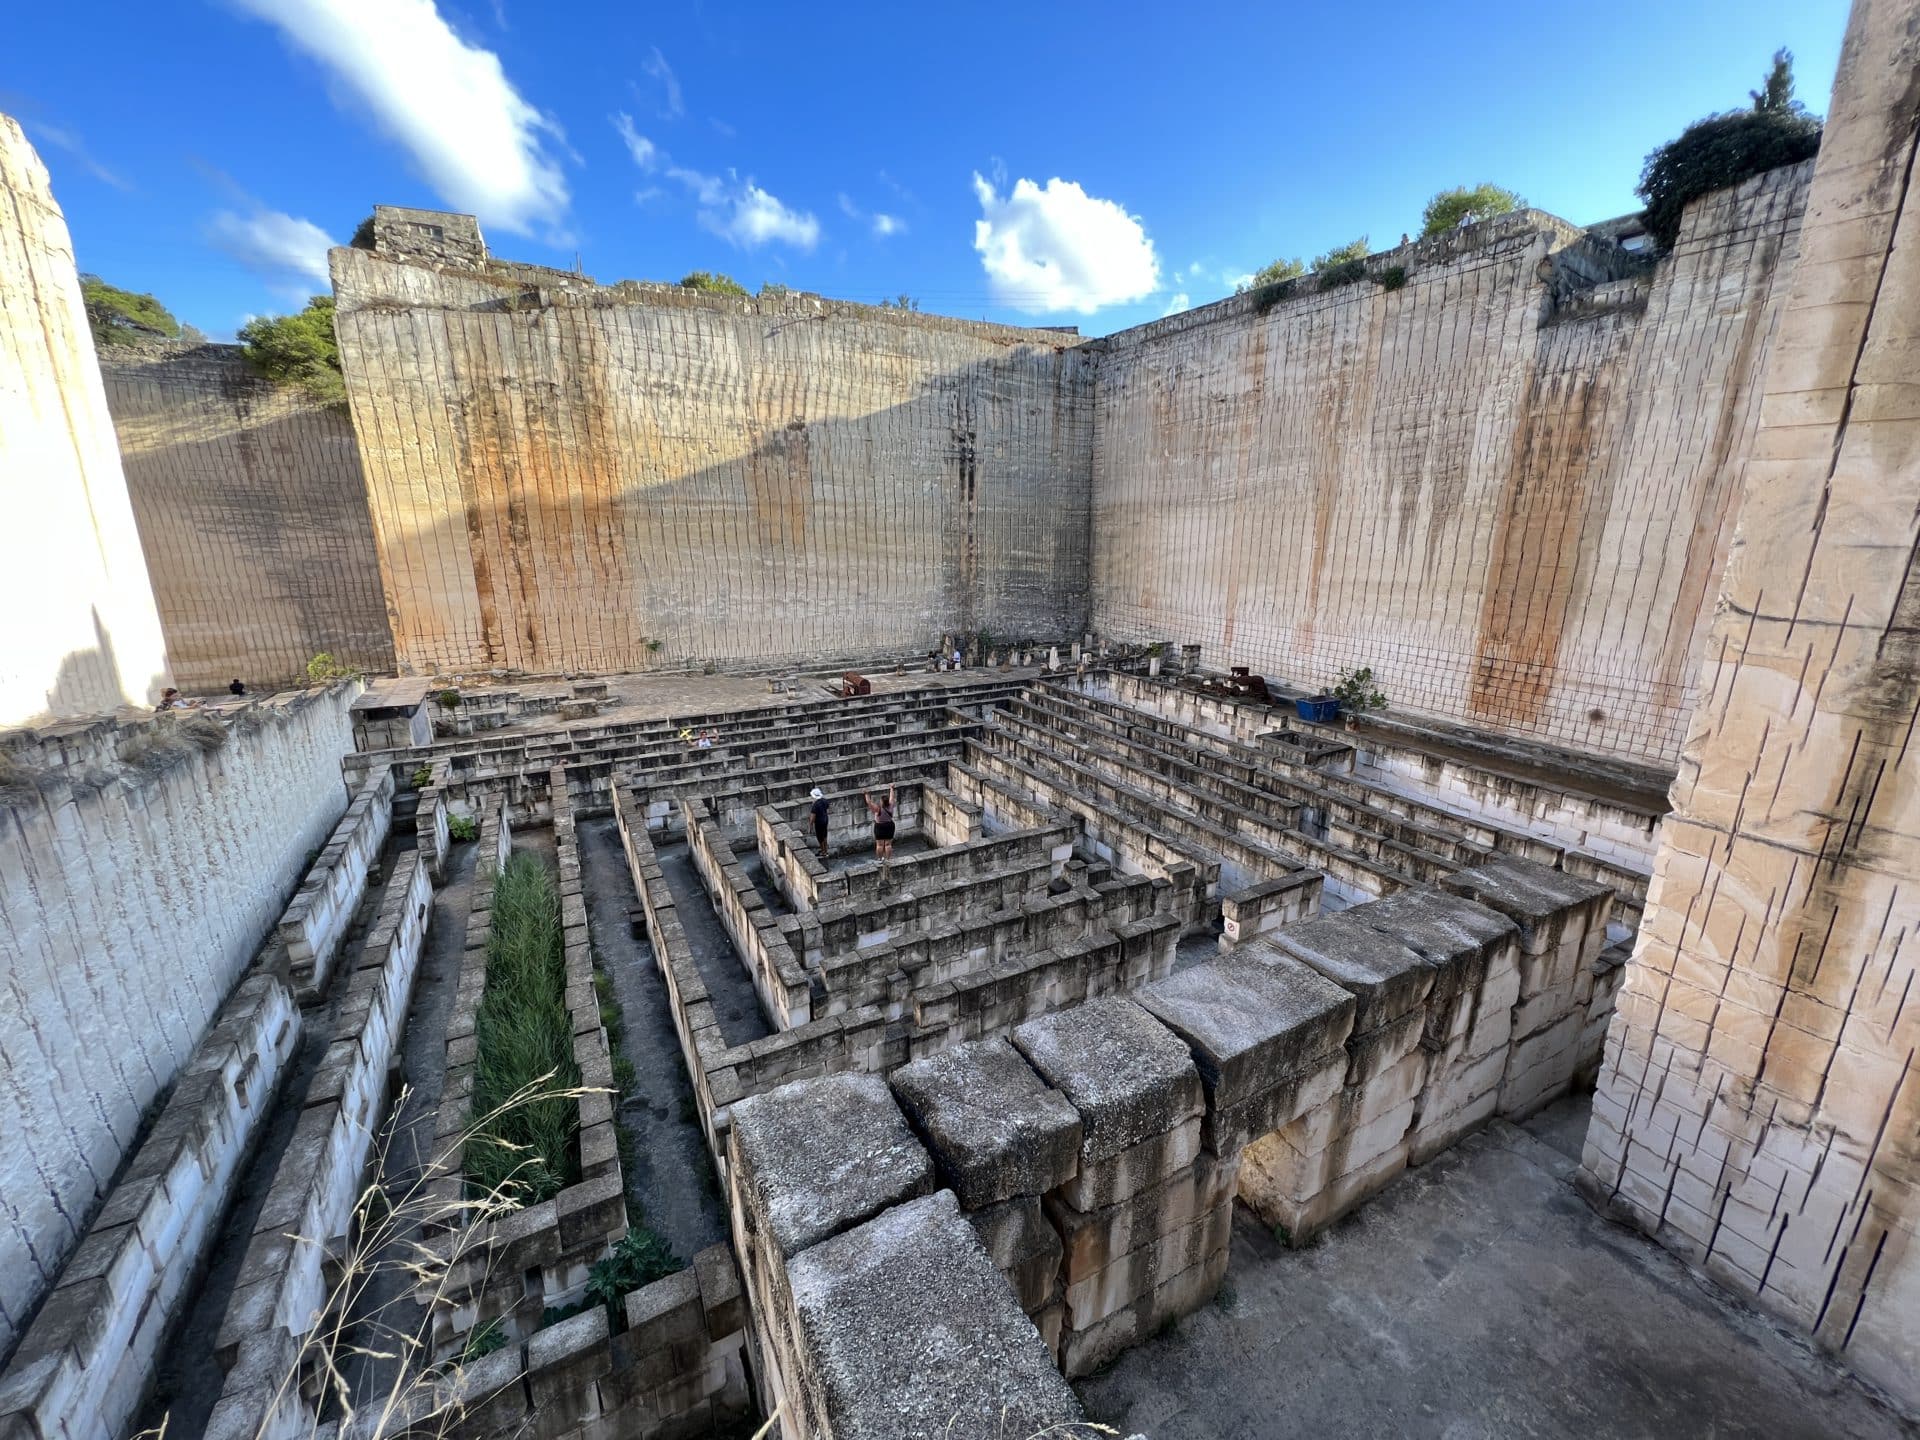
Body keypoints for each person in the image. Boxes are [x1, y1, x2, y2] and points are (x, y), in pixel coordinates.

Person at [863, 784, 897, 861]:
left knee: (879, 845)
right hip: (889, 826)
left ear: (881, 802)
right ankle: (888, 859)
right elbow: (892, 797)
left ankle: (880, 859)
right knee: (888, 844)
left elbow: (869, 802)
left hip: (879, 827)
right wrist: (891, 788)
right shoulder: (891, 805)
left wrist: (866, 794)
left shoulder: (878, 809)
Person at [809, 787, 830, 858]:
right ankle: (826, 851)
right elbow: (827, 808)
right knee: (824, 835)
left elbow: (812, 817)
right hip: (825, 819)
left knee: (820, 837)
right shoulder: (824, 800)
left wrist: (810, 826)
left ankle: (823, 852)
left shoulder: (815, 805)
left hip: (819, 822)